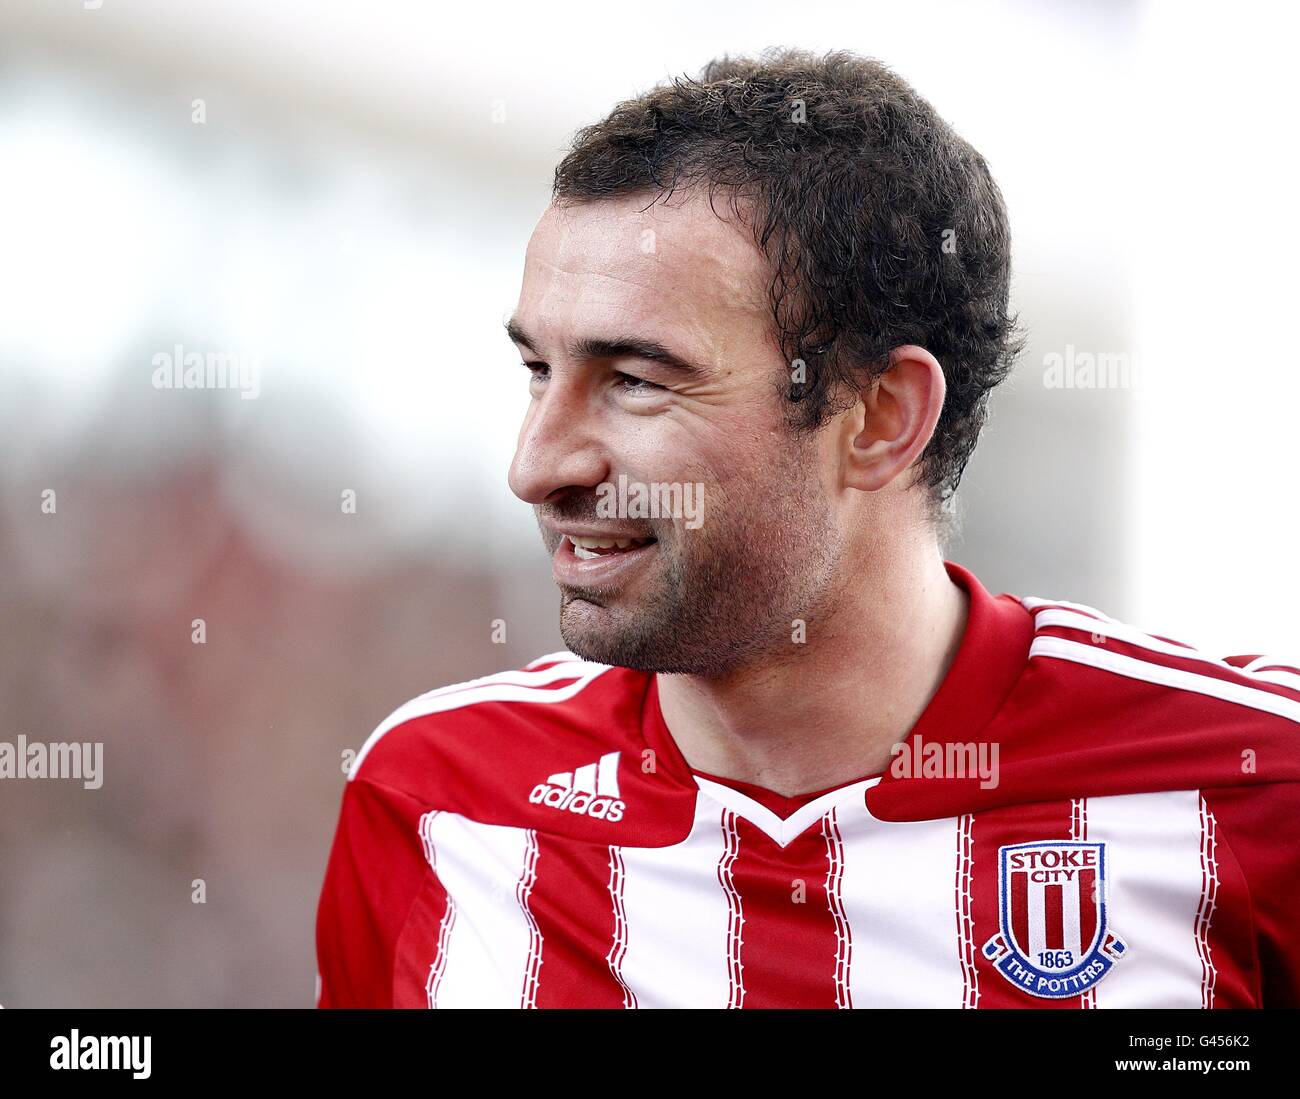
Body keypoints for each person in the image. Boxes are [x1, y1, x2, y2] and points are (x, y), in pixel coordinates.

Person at [316, 48, 1300, 1008]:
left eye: (635, 380)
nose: (536, 465)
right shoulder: (436, 797)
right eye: (539, 370)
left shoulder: (1258, 790)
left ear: (878, 417)